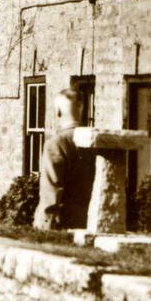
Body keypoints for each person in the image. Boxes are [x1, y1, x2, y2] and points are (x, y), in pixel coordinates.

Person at [34, 88, 96, 230]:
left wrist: (44, 228)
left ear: (58, 111)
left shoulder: (56, 143)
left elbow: (51, 192)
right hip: (91, 222)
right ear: (81, 110)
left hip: (64, 225)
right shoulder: (94, 141)